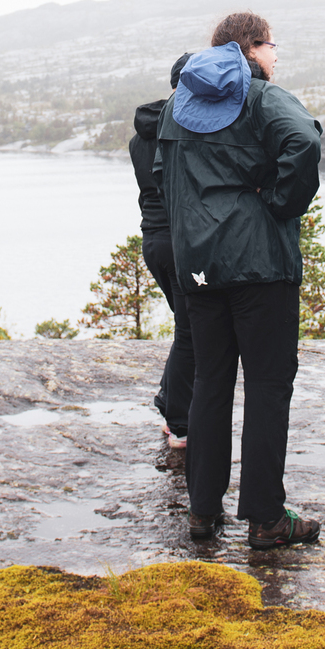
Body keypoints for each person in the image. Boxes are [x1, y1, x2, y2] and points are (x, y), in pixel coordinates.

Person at [155, 12, 325, 549]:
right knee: (269, 387)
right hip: (259, 265)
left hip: (199, 266)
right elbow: (304, 145)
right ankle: (266, 518)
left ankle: (203, 513)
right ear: (252, 47)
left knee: (210, 381)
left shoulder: (179, 106)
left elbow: (164, 179)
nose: (276, 57)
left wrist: (194, 233)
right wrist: (276, 204)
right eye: (273, 46)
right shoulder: (262, 97)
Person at [130, 52, 194, 449]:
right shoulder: (183, 130)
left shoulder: (142, 134)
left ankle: (170, 402)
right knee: (191, 334)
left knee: (186, 329)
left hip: (152, 240)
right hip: (179, 242)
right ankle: (178, 422)